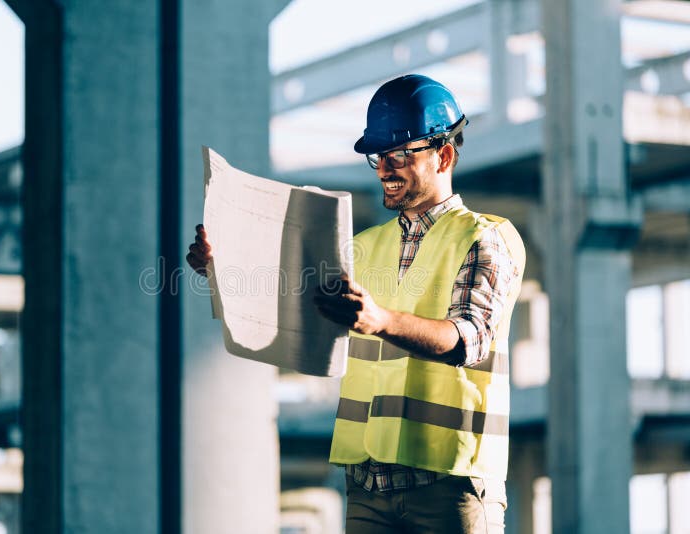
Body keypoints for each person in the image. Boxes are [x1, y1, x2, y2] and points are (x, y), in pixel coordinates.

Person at [186, 74, 525, 534]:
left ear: (444, 155)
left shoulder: (484, 238)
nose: (385, 168)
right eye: (378, 156)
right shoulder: (361, 247)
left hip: (450, 486)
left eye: (400, 154)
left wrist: (380, 320)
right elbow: (296, 313)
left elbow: (470, 338)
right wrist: (222, 269)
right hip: (368, 486)